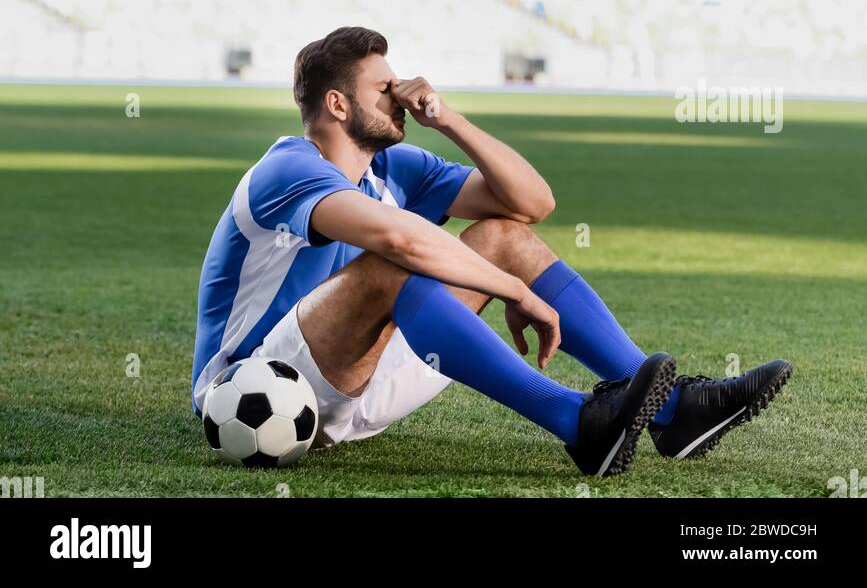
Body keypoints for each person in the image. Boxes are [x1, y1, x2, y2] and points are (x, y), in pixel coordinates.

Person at [192, 26, 791, 475]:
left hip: (356, 385)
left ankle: (674, 410)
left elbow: (532, 202)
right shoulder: (287, 168)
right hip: (259, 385)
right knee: (396, 261)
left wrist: (449, 119)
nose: (401, 96)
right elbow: (398, 239)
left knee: (504, 235)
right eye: (384, 88)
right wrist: (513, 291)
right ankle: (577, 422)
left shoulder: (395, 166)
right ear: (338, 105)